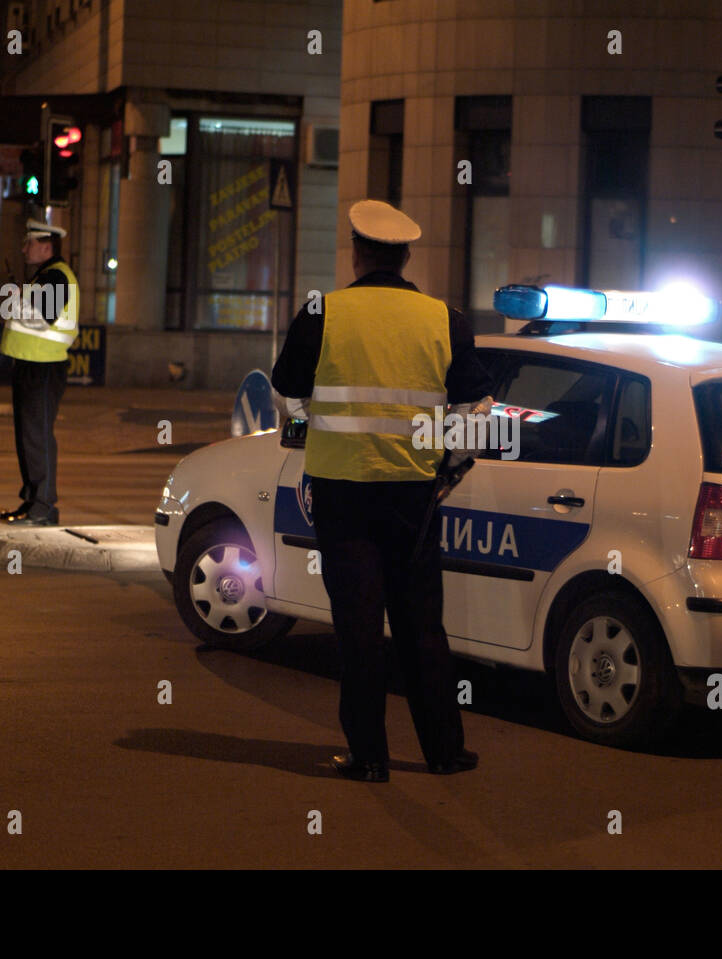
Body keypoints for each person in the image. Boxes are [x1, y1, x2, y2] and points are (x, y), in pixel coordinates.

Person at [271, 199, 493, 782]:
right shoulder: (444, 317)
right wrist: (448, 467)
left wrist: (308, 424)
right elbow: (479, 408)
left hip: (343, 494)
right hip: (414, 495)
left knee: (359, 627)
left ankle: (369, 757)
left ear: (356, 252)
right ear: (406, 257)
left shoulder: (323, 313)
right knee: (423, 625)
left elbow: (287, 387)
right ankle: (444, 752)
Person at [0, 220, 79, 527]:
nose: (23, 248)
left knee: (37, 436)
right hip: (31, 364)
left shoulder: (56, 276)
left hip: (43, 367)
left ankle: (43, 506)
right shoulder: (46, 276)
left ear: (46, 246)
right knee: (28, 437)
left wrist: (18, 298)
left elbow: (44, 316)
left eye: (28, 243)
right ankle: (32, 501)